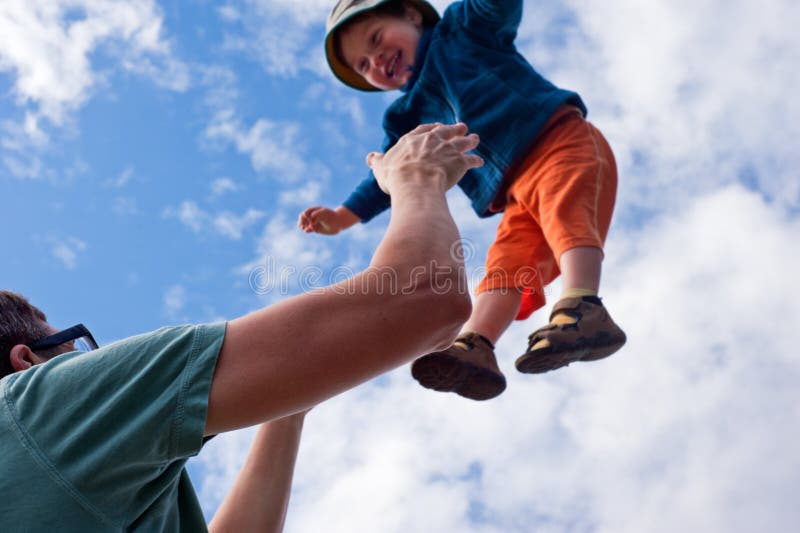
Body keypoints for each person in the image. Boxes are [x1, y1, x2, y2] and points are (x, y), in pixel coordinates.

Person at [0, 122, 481, 532]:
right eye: (72, 348)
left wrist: (289, 404)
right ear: (26, 362)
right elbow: (424, 295)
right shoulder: (36, 409)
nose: (86, 360)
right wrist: (418, 174)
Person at [298, 0, 627, 401]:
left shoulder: (462, 29)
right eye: (364, 65)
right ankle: (477, 345)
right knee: (507, 264)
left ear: (411, 14)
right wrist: (343, 215)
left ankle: (582, 305)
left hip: (558, 141)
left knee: (566, 213)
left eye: (375, 38)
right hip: (514, 194)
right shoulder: (406, 117)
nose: (375, 59)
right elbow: (392, 171)